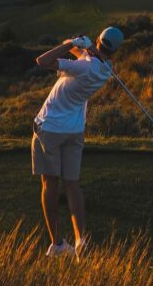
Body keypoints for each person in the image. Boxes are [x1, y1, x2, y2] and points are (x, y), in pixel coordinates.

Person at [33, 26, 124, 258]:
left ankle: (58, 245)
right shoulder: (105, 68)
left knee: (50, 184)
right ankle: (81, 240)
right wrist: (80, 45)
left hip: (51, 127)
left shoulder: (82, 66)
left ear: (98, 39)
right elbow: (82, 52)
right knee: (72, 183)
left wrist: (71, 43)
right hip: (74, 130)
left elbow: (42, 61)